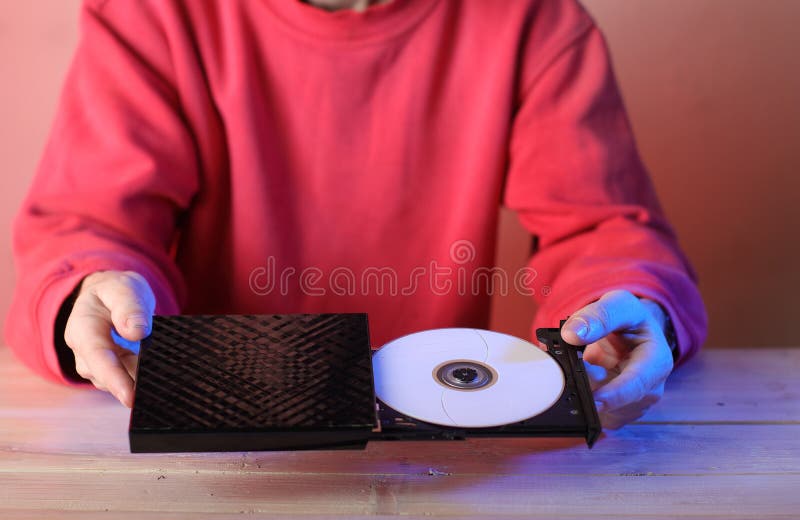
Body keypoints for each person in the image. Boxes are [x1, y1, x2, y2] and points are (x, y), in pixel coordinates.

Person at [5, 0, 707, 429]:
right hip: (218, 443)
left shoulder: (536, 23)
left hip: (445, 437)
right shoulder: (152, 15)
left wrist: (625, 302)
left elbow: (599, 231)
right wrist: (88, 290)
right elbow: (91, 228)